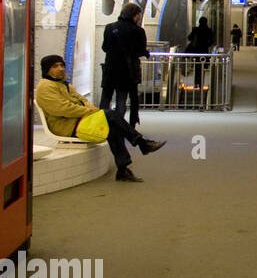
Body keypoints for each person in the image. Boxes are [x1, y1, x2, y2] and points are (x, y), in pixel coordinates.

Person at [36, 54, 165, 182]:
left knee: (113, 127)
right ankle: (142, 143)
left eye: (61, 65)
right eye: (55, 66)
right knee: (110, 115)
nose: (60, 68)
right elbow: (63, 109)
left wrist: (91, 109)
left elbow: (81, 99)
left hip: (79, 121)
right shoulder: (45, 87)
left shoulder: (65, 84)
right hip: (65, 126)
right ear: (47, 69)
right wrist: (89, 111)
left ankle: (123, 169)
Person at [101, 1, 147, 128]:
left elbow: (104, 47)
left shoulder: (109, 27)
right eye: (138, 14)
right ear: (135, 15)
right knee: (121, 100)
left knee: (106, 98)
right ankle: (119, 127)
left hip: (110, 69)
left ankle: (101, 126)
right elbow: (140, 50)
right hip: (127, 71)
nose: (139, 17)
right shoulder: (138, 31)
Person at [186, 15, 214, 100]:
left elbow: (189, 38)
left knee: (196, 67)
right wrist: (206, 44)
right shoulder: (208, 30)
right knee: (202, 68)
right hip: (204, 51)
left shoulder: (195, 29)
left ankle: (196, 83)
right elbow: (211, 41)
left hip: (195, 51)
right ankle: (201, 83)